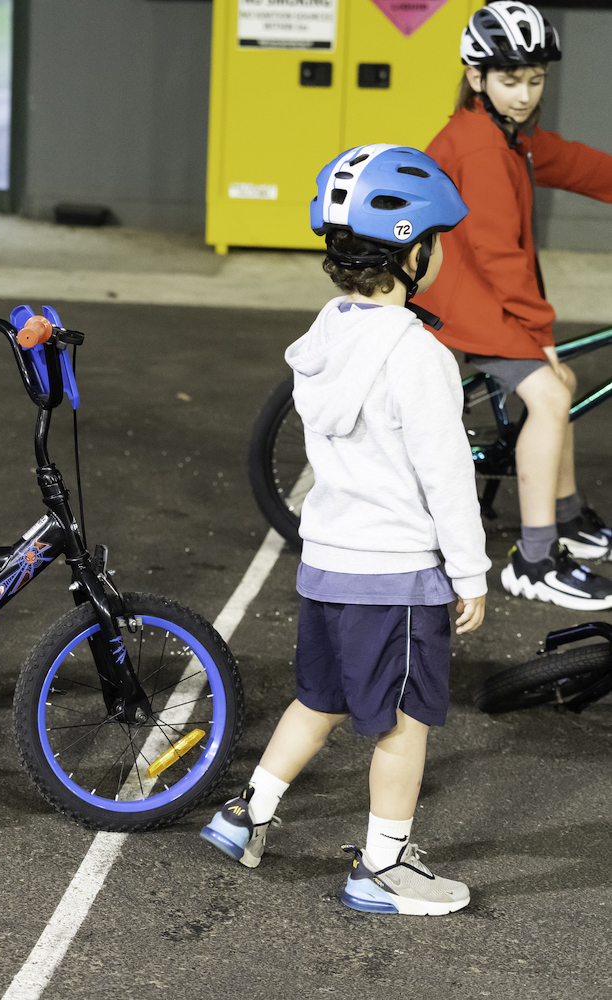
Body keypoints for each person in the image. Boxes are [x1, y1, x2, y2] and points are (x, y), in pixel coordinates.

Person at [201, 146, 489, 916]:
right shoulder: (420, 355)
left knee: (318, 700)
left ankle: (247, 814)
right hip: (394, 572)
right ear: (413, 250)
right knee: (404, 723)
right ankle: (382, 869)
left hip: (326, 565)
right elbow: (447, 475)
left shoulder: (326, 334)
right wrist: (470, 572)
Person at [414, 1, 612, 609]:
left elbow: (574, 163)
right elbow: (501, 256)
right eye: (510, 80)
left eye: (535, 79)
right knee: (551, 391)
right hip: (462, 297)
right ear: (477, 77)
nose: (525, 94)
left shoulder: (504, 132)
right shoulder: (477, 147)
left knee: (563, 380)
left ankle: (568, 517)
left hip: (479, 288)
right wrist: (541, 332)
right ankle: (532, 558)